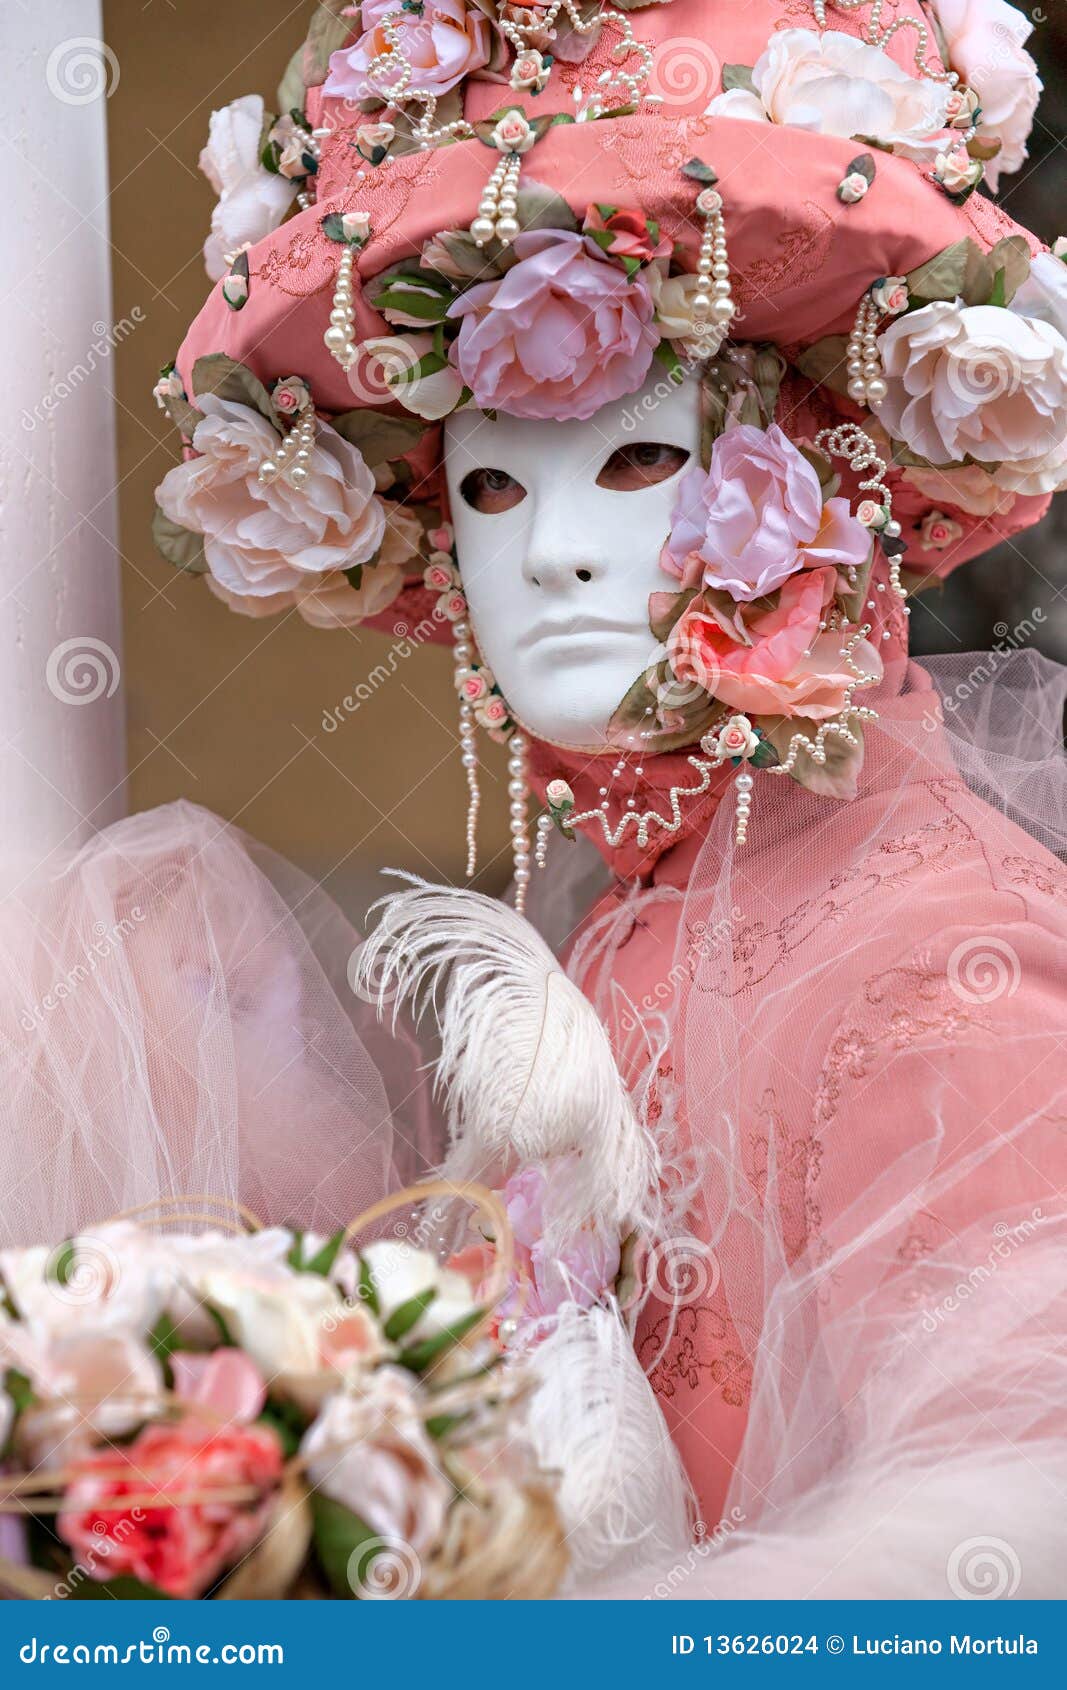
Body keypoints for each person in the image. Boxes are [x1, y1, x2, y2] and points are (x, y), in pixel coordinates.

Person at [23, 0, 1067, 1595]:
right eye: (493, 488)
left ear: (826, 474)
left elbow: (997, 1575)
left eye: (636, 462)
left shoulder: (946, 965)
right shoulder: (644, 900)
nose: (551, 553)